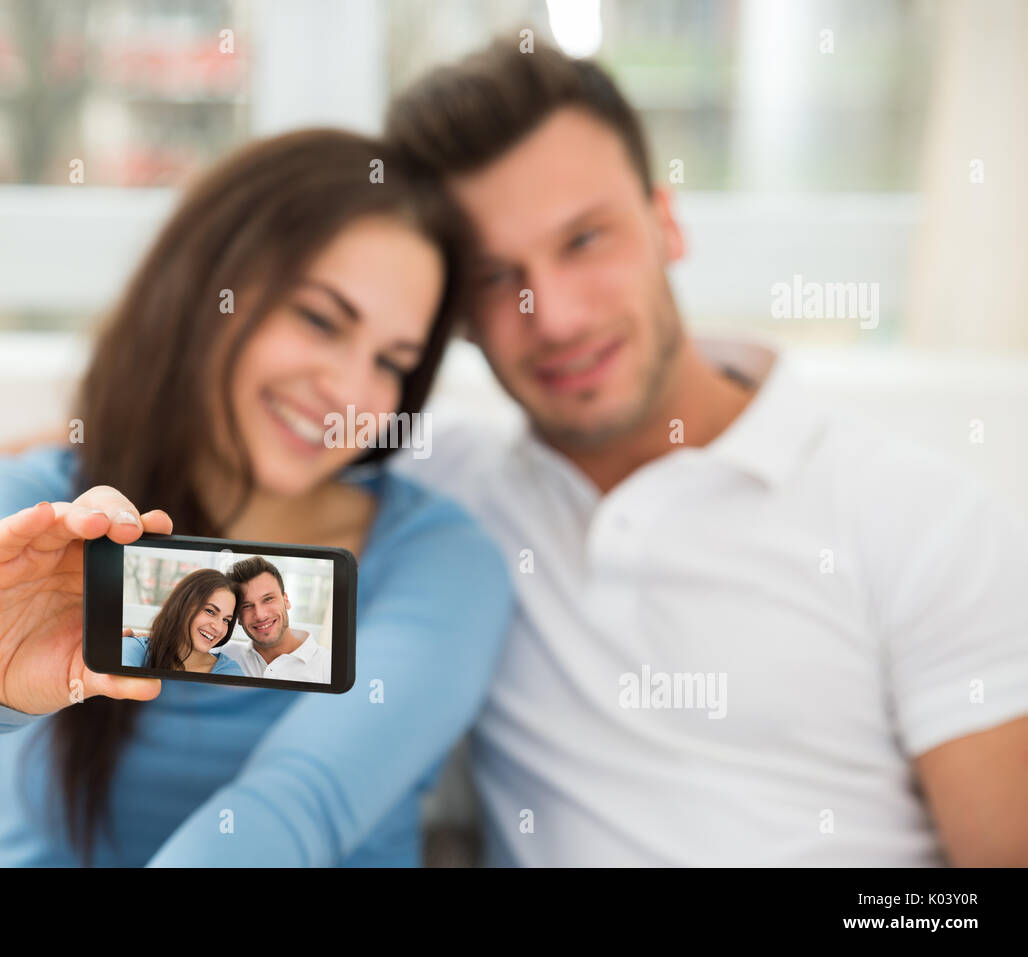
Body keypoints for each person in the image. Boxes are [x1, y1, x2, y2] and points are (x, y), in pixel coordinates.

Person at [379, 38, 1028, 866]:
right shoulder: (438, 495)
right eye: (495, 276)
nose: (558, 317)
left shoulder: (926, 523)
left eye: (585, 240)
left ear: (666, 223)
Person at [0, 127, 514, 866]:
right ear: (206, 291)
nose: (350, 392)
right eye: (319, 319)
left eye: (390, 361)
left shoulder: (442, 561)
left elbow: (292, 807)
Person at [220, 555, 331, 683]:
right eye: (246, 606)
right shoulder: (223, 657)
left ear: (286, 601)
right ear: (237, 616)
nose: (260, 615)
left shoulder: (327, 666)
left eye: (268, 599)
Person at [120, 568, 242, 676]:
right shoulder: (136, 648)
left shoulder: (229, 671)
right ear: (183, 605)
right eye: (210, 611)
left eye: (226, 620)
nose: (219, 628)